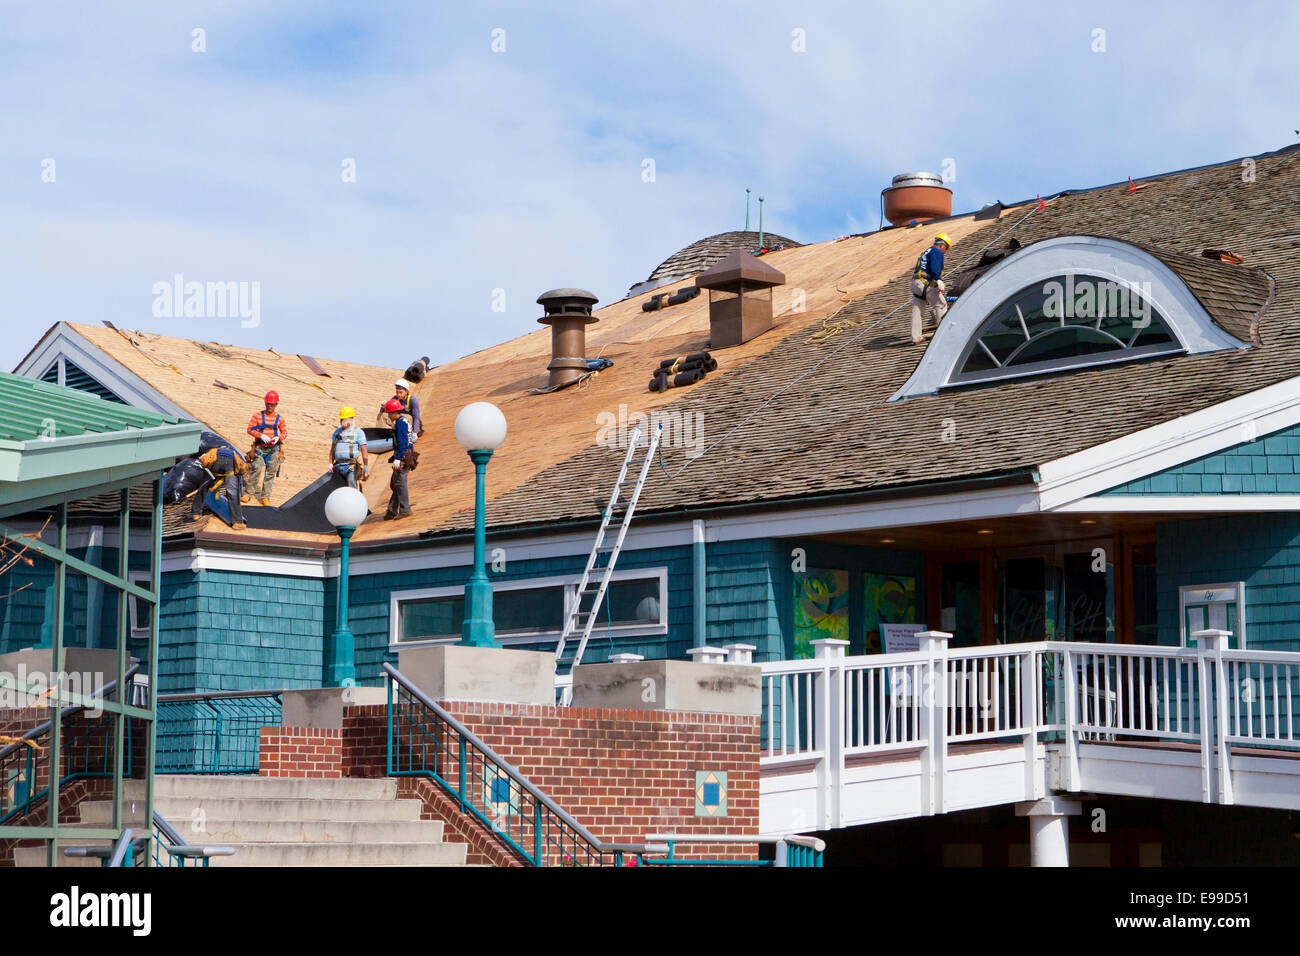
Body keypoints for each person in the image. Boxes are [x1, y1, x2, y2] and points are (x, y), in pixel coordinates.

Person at [191, 445, 248, 530]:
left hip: (215, 463)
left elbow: (203, 460)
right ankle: (237, 522)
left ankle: (196, 513)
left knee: (205, 486)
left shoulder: (214, 450)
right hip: (229, 465)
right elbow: (241, 469)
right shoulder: (236, 455)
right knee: (232, 493)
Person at [245, 390, 287, 505]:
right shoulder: (257, 416)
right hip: (259, 448)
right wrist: (260, 435)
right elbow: (250, 429)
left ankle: (265, 497)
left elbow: (284, 433)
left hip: (273, 450)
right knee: (256, 469)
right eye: (268, 404)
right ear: (265, 403)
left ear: (276, 405)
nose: (270, 406)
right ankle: (248, 493)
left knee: (270, 473)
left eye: (272, 404)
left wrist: (278, 438)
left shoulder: (280, 418)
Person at [910, 234, 952, 345]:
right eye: (945, 248)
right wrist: (938, 279)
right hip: (926, 282)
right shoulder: (937, 252)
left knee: (917, 310)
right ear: (942, 245)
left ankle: (916, 337)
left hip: (916, 283)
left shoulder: (926, 252)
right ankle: (945, 334)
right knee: (941, 305)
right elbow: (935, 266)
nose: (945, 251)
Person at [381, 398, 415, 520]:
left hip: (403, 456)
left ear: (395, 412)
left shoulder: (400, 423)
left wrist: (399, 458)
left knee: (400, 483)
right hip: (407, 454)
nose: (389, 416)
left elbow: (403, 441)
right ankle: (391, 510)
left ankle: (405, 509)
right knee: (396, 483)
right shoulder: (404, 421)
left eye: (389, 413)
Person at [329, 406, 370, 489]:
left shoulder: (358, 432)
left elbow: (364, 450)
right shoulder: (337, 432)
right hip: (338, 466)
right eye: (341, 419)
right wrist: (330, 463)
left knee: (351, 488)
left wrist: (365, 467)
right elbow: (332, 450)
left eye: (343, 419)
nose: (341, 421)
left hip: (350, 467)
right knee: (337, 490)